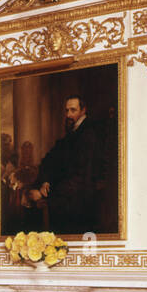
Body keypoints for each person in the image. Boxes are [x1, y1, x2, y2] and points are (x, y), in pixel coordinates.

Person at [28, 94, 108, 235]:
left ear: (83, 111)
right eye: (66, 111)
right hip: (67, 192)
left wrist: (44, 193)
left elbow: (80, 176)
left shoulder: (88, 135)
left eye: (73, 110)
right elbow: (49, 160)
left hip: (80, 199)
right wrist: (45, 180)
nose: (68, 115)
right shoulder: (70, 135)